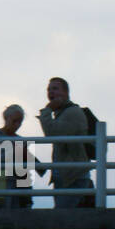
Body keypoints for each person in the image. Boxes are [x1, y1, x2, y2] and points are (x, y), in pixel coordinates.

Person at [36, 77, 94, 209]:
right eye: (49, 89)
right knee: (64, 216)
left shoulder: (72, 112)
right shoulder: (63, 113)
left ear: (66, 93)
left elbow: (51, 133)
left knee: (62, 216)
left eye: (55, 89)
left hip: (73, 177)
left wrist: (47, 109)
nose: (51, 92)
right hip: (66, 176)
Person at [0, 105, 43, 210]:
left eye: (20, 122)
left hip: (22, 185)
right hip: (3, 182)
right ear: (6, 118)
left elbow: (37, 166)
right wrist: (14, 152)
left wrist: (26, 155)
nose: (17, 125)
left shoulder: (20, 139)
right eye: (15, 121)